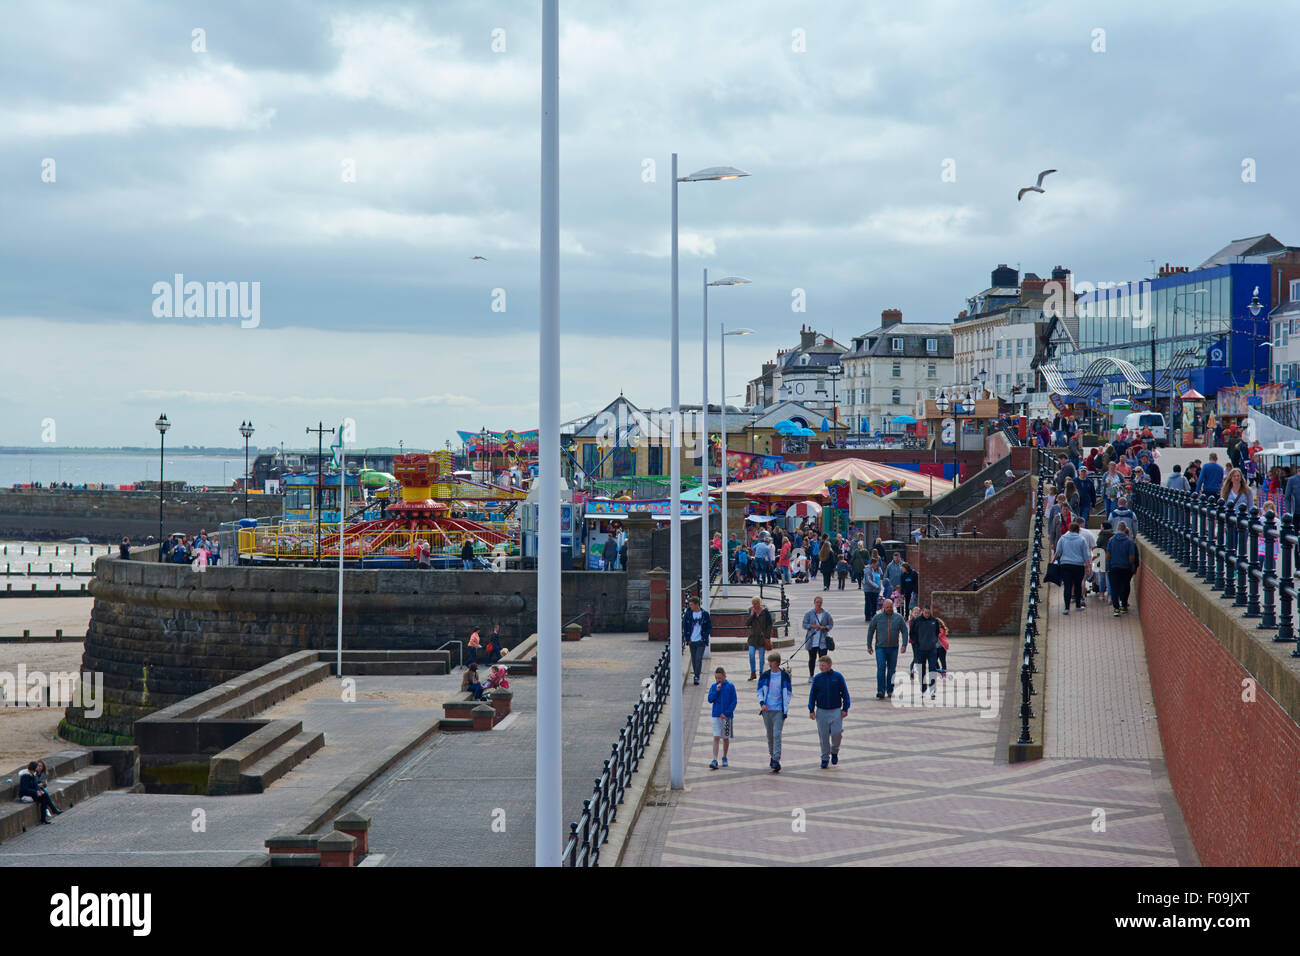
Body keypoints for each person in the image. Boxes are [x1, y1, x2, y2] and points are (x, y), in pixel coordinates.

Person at [807, 655, 850, 769]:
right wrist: (811, 709)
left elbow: (845, 693)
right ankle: (825, 758)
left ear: (829, 665)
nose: (821, 667)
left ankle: (834, 750)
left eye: (823, 665)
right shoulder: (817, 678)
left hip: (835, 710)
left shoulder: (838, 677)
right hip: (821, 710)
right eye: (820, 665)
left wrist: (845, 708)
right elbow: (812, 695)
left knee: (837, 733)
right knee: (823, 736)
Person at [757, 651, 792, 772]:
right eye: (769, 661)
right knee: (770, 735)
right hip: (767, 710)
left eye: (771, 662)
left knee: (777, 734)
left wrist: (785, 706)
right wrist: (762, 703)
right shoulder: (765, 675)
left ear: (777, 663)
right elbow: (759, 691)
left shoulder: (784, 676)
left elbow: (788, 692)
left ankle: (776, 758)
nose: (769, 664)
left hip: (778, 710)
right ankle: (772, 756)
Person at [867, 597, 907, 699]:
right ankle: (880, 690)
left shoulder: (898, 617)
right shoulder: (877, 617)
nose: (889, 608)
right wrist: (869, 645)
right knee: (881, 668)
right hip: (880, 647)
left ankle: (890, 690)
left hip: (893, 647)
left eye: (891, 607)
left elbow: (904, 631)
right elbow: (871, 630)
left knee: (891, 670)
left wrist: (904, 645)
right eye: (887, 607)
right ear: (883, 607)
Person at [1054, 520, 1091, 615]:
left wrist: (1051, 563)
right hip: (1078, 566)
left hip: (1065, 565)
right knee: (1078, 585)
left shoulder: (1063, 538)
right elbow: (1086, 555)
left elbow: (1058, 552)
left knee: (1067, 586)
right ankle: (1078, 606)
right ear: (1078, 530)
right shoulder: (1081, 539)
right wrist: (1088, 567)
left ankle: (1066, 608)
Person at [908, 604, 943, 699]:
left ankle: (932, 690)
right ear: (922, 611)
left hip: (932, 650)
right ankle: (923, 688)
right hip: (921, 650)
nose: (927, 614)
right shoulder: (917, 621)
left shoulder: (934, 621)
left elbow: (937, 632)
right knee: (921, 670)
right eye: (925, 612)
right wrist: (917, 644)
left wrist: (933, 641)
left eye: (929, 613)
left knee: (932, 669)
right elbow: (912, 633)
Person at [706, 667, 738, 769]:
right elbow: (710, 699)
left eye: (720, 678)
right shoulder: (714, 686)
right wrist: (716, 691)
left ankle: (724, 756)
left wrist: (727, 713)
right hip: (716, 715)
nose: (718, 680)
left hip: (727, 717)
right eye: (716, 678)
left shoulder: (730, 686)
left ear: (724, 676)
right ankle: (715, 759)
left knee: (725, 737)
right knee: (716, 736)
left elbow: (734, 701)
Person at [1106, 521, 1140, 615]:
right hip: (1125, 568)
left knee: (1114, 587)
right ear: (1125, 529)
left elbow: (1108, 555)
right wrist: (1131, 566)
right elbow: (1132, 556)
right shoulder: (1129, 542)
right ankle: (1124, 605)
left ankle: (1116, 608)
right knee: (1125, 586)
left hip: (1113, 567)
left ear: (1117, 529)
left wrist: (1108, 565)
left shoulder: (1111, 540)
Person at [801, 596, 834, 679]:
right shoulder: (809, 614)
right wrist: (812, 626)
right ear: (814, 603)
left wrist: (824, 627)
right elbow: (804, 625)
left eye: (820, 602)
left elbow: (830, 624)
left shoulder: (826, 614)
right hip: (812, 640)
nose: (818, 604)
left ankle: (824, 675)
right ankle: (811, 675)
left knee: (823, 660)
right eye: (817, 602)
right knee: (812, 659)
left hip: (822, 640)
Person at [682, 595, 711, 685]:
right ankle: (696, 674)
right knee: (694, 659)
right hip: (692, 640)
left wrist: (704, 637)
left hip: (700, 640)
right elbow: (685, 627)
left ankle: (696, 676)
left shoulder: (705, 614)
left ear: (697, 604)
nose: (690, 606)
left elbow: (709, 627)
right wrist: (688, 639)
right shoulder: (688, 614)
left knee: (698, 658)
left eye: (691, 605)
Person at [744, 596, 773, 681]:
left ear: (760, 603)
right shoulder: (751, 611)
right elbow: (747, 623)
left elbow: (769, 625)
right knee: (751, 654)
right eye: (754, 604)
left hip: (762, 638)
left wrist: (767, 636)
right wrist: (752, 615)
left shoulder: (765, 612)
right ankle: (753, 672)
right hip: (752, 637)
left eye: (757, 603)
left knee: (761, 657)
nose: (755, 606)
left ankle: (761, 673)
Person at [862, 556, 882, 621]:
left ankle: (873, 614)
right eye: (875, 564)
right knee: (868, 603)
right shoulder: (868, 569)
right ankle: (868, 616)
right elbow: (868, 580)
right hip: (868, 589)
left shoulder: (871, 569)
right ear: (872, 563)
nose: (876, 566)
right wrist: (876, 586)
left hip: (871, 589)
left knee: (873, 602)